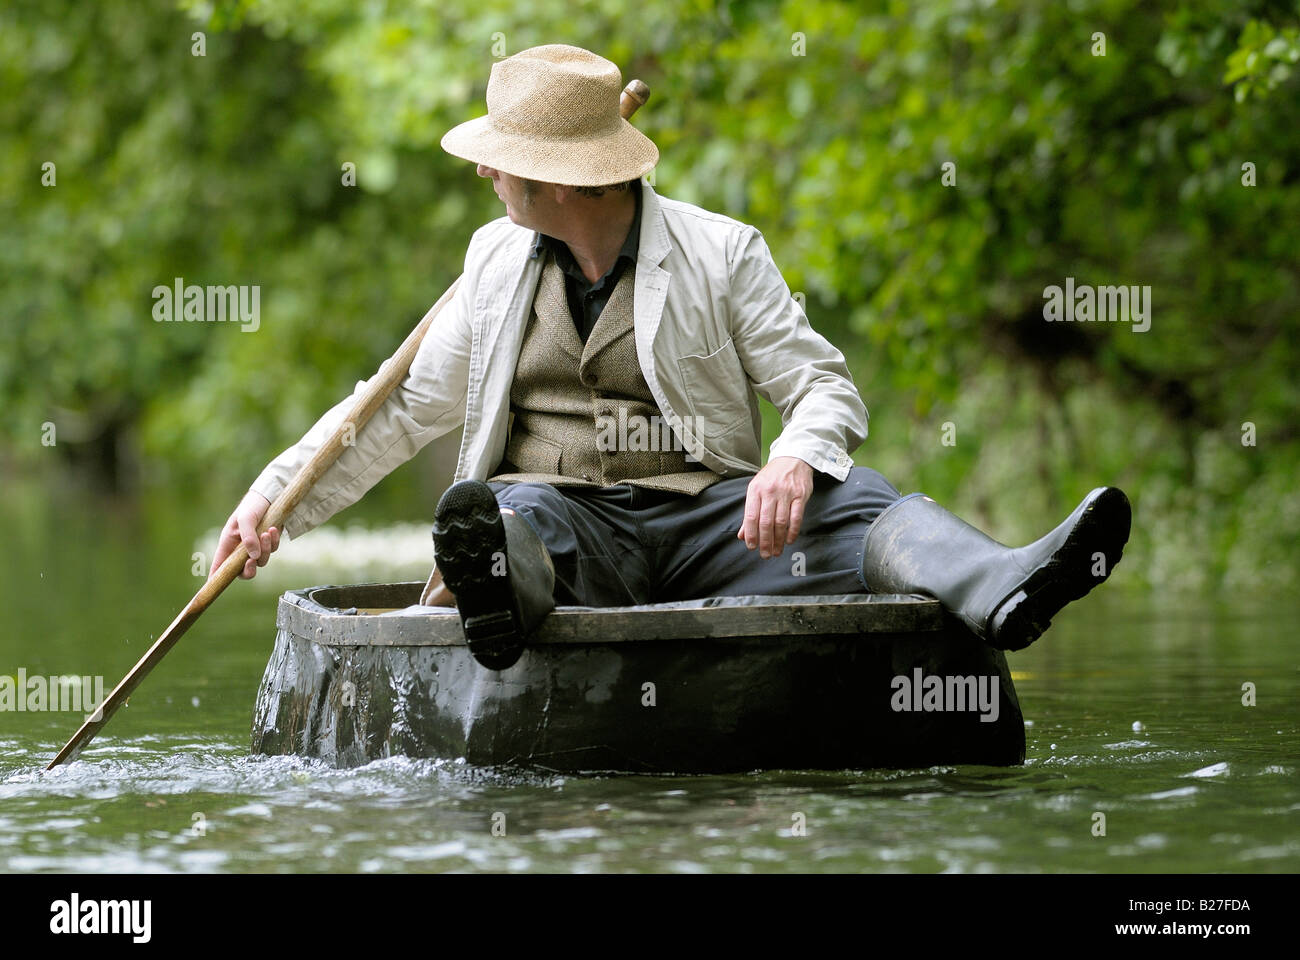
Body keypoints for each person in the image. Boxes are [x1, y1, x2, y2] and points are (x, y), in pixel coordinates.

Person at [213, 44, 1131, 670]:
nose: (482, 172)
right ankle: (499, 597)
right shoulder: (490, 265)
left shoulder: (722, 250)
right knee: (506, 512)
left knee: (866, 499)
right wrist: (272, 504)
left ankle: (1005, 585)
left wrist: (793, 457)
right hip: (565, 526)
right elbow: (400, 411)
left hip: (713, 529)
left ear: (561, 180)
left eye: (499, 159)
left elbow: (822, 386)